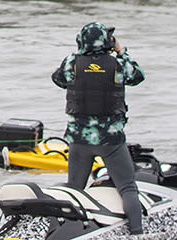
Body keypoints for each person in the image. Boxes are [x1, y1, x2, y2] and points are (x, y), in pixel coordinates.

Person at [51, 22, 147, 235]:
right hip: (110, 142)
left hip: (79, 141)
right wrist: (121, 51)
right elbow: (138, 76)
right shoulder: (118, 65)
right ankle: (138, 233)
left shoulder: (71, 63)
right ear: (107, 42)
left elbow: (57, 79)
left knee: (74, 190)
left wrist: (82, 57)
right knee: (128, 188)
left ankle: (64, 232)